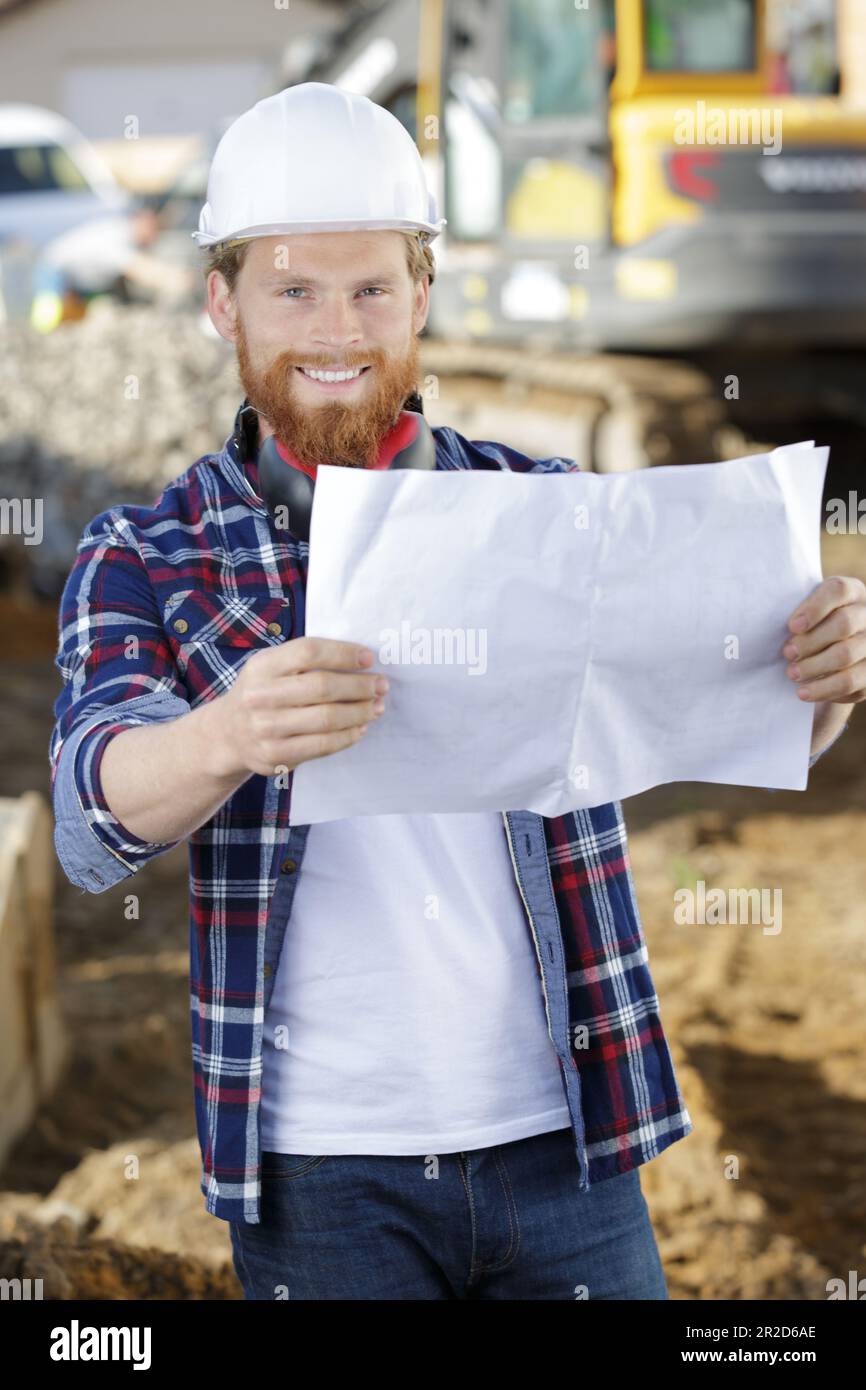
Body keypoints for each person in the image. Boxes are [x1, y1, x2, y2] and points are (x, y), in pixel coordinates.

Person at [49, 82, 859, 1302]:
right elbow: (86, 816)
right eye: (292, 289)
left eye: (372, 287)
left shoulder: (546, 506)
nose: (338, 328)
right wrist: (227, 733)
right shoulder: (151, 552)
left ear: (422, 294)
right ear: (222, 304)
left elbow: (737, 714)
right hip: (320, 1172)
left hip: (563, 1142)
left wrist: (820, 681)